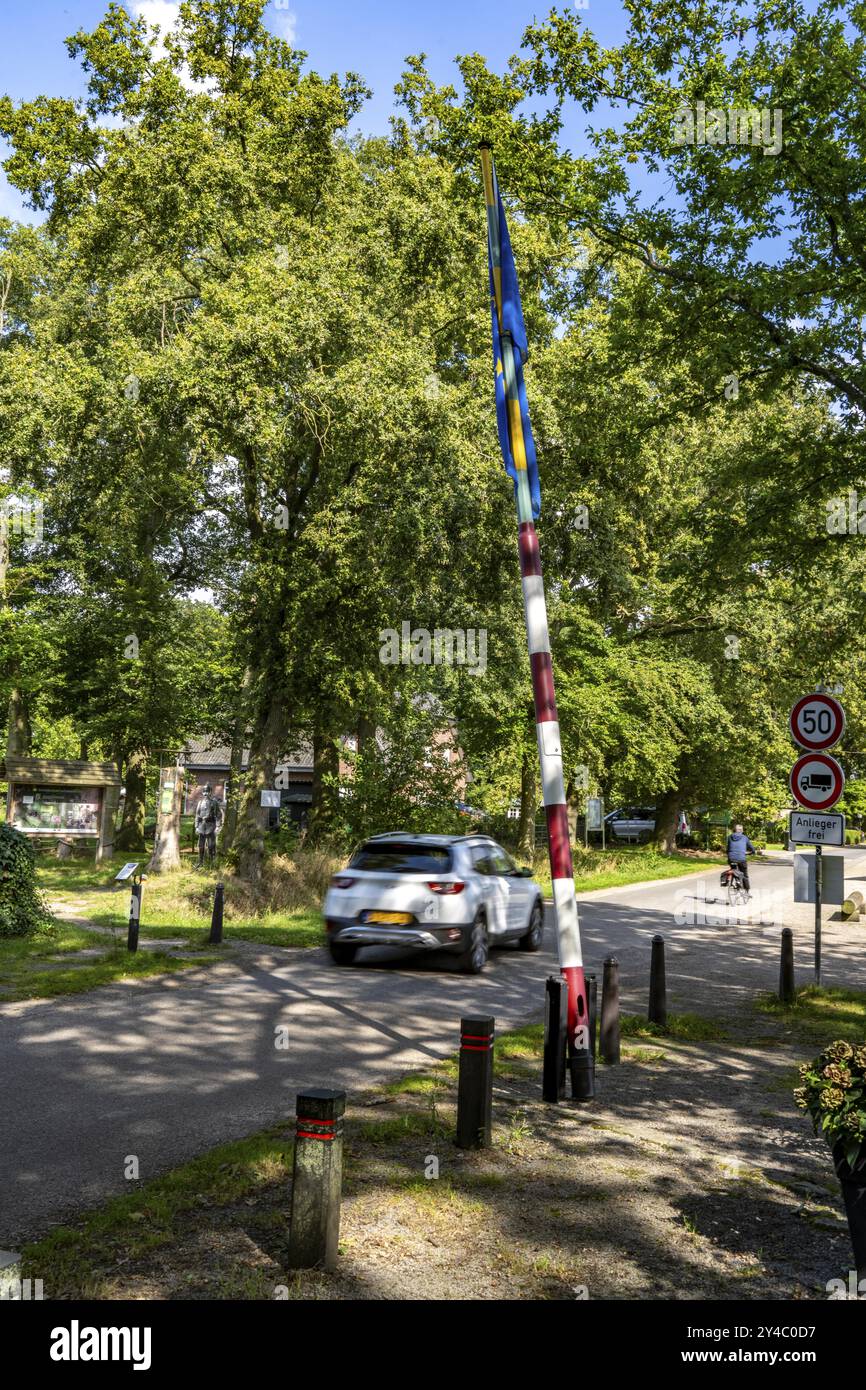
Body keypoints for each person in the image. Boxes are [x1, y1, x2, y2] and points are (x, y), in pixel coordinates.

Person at [194, 783, 224, 868]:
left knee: (211, 845)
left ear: (210, 792)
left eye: (207, 791)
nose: (205, 793)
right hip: (201, 827)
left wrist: (218, 826)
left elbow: (218, 814)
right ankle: (200, 862)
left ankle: (211, 863)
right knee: (201, 846)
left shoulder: (214, 803)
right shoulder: (200, 803)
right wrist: (196, 826)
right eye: (204, 792)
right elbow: (197, 814)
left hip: (211, 826)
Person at [726, 823, 758, 896]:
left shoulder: (729, 837)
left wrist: (729, 854)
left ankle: (736, 881)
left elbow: (728, 848)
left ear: (734, 830)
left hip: (731, 858)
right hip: (741, 858)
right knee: (744, 875)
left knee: (734, 869)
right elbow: (751, 847)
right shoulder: (744, 837)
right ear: (741, 830)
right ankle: (747, 892)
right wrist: (753, 851)